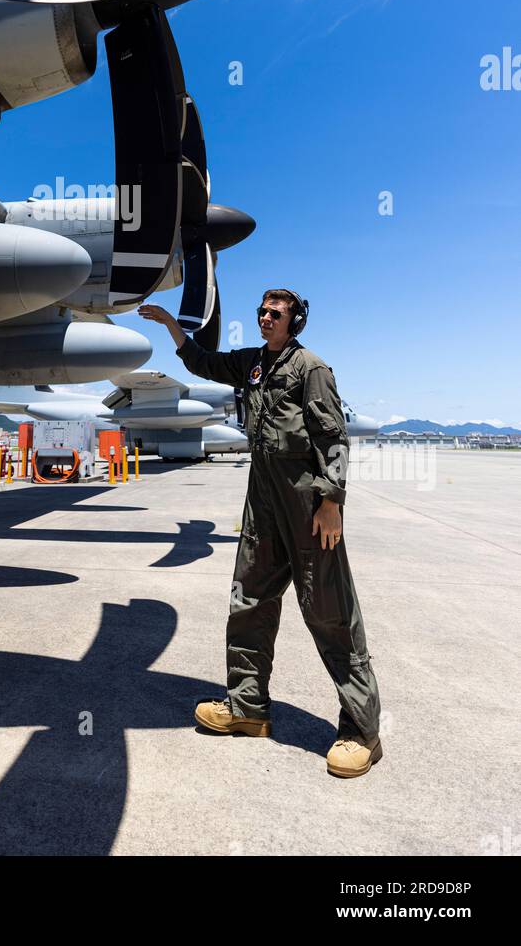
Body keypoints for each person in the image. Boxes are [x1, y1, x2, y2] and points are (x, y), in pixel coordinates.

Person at [138, 289, 382, 778]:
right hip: (263, 499)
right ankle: (248, 709)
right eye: (262, 312)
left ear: (295, 321)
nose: (265, 317)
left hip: (307, 501)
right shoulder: (252, 363)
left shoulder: (310, 368)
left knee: (329, 611)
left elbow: (332, 436)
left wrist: (332, 500)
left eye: (276, 313)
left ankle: (362, 732)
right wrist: (170, 324)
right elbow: (203, 363)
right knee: (248, 601)